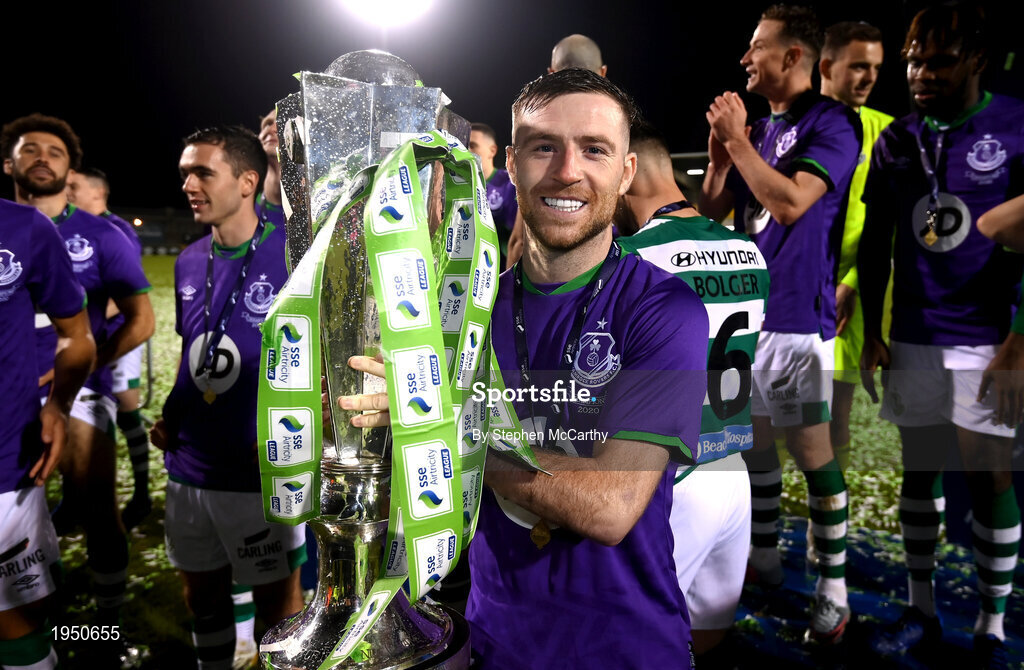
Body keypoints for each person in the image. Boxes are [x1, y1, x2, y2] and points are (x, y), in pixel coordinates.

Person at [340, 68, 709, 669]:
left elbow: (611, 507)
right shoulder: (462, 314)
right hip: (493, 642)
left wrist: (439, 431)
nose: (567, 171)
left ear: (626, 171)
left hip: (626, 650)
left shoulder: (665, 308)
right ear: (510, 164)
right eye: (543, 147)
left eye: (594, 149)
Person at [858, 5, 1023, 666]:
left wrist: (1018, 344)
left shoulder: (1015, 125)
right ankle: (920, 611)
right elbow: (876, 240)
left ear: (978, 60)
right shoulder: (898, 139)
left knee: (989, 479)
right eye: (914, 61)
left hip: (988, 338)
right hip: (914, 333)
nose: (922, 74)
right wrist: (876, 332)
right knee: (918, 472)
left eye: (940, 61)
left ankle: (991, 627)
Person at [699, 4, 861, 643]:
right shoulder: (761, 128)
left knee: (812, 452)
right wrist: (721, 155)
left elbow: (792, 204)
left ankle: (834, 592)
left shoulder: (833, 121)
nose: (746, 58)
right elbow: (714, 212)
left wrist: (738, 141)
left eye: (758, 46)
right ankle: (764, 557)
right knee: (755, 445)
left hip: (796, 322)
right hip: (748, 317)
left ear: (793, 56)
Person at [1, 113, 155, 667]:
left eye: (56, 151)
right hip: (10, 394)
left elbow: (141, 320)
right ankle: (41, 628)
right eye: (30, 149)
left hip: (76, 391)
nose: (42, 157)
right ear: (9, 164)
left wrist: (88, 368)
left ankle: (104, 637)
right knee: (26, 538)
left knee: (95, 507)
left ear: (70, 171)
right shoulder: (7, 226)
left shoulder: (100, 234)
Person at [150, 125, 305, 670]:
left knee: (278, 610)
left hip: (259, 473)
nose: (189, 185)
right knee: (202, 600)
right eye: (184, 174)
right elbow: (193, 349)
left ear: (247, 182)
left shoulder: (293, 252)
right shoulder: (191, 259)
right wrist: (173, 412)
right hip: (189, 468)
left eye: (202, 172)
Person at [617, 119, 769, 663]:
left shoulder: (631, 259)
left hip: (671, 479)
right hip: (732, 469)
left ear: (626, 172)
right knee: (706, 634)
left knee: (635, 643)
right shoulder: (748, 250)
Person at [0, 197, 94, 670]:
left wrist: (58, 404)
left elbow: (77, 334)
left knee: (18, 624)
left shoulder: (25, 228)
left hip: (9, 466)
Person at [819, 21, 894, 472]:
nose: (870, 78)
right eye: (859, 66)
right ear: (827, 66)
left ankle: (833, 502)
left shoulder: (887, 132)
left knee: (837, 411)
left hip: (853, 291)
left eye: (876, 68)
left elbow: (891, 225)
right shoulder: (797, 128)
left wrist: (850, 281)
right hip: (799, 291)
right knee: (774, 413)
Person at [65, 167, 153, 530]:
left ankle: (141, 494)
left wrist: (82, 319)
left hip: (118, 338)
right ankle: (73, 498)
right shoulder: (71, 227)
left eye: (74, 187)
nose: (68, 192)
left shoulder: (115, 230)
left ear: (97, 192)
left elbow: (126, 295)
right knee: (74, 413)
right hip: (89, 336)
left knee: (126, 411)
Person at [468, 122, 519, 267]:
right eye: (464, 146)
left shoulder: (510, 185)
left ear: (492, 151)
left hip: (500, 271)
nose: (467, 151)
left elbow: (519, 240)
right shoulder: (455, 187)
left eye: (472, 146)